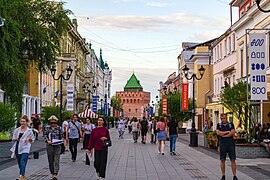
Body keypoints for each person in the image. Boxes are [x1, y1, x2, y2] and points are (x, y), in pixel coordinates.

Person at [10, 115, 35, 180]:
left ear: (26, 122)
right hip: (17, 146)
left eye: (24, 121)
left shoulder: (29, 131)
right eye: (21, 121)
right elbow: (13, 138)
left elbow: (33, 139)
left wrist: (29, 139)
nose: (22, 123)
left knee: (23, 161)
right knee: (19, 162)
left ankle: (21, 176)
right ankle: (23, 175)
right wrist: (16, 139)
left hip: (26, 147)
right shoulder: (16, 130)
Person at [216, 113, 238, 180]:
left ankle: (234, 176)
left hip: (230, 144)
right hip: (222, 144)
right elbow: (218, 132)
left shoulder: (231, 124)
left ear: (227, 118)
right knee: (222, 160)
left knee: (233, 160)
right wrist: (227, 132)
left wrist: (223, 134)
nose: (223, 119)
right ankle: (223, 176)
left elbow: (233, 132)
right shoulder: (219, 125)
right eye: (221, 118)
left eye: (224, 118)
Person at [43, 115, 63, 180]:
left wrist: (61, 140)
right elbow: (45, 135)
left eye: (54, 123)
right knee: (50, 160)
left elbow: (62, 136)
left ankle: (55, 174)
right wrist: (47, 140)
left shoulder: (59, 128)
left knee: (56, 160)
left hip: (57, 145)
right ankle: (52, 173)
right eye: (51, 123)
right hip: (50, 146)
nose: (53, 124)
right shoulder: (47, 128)